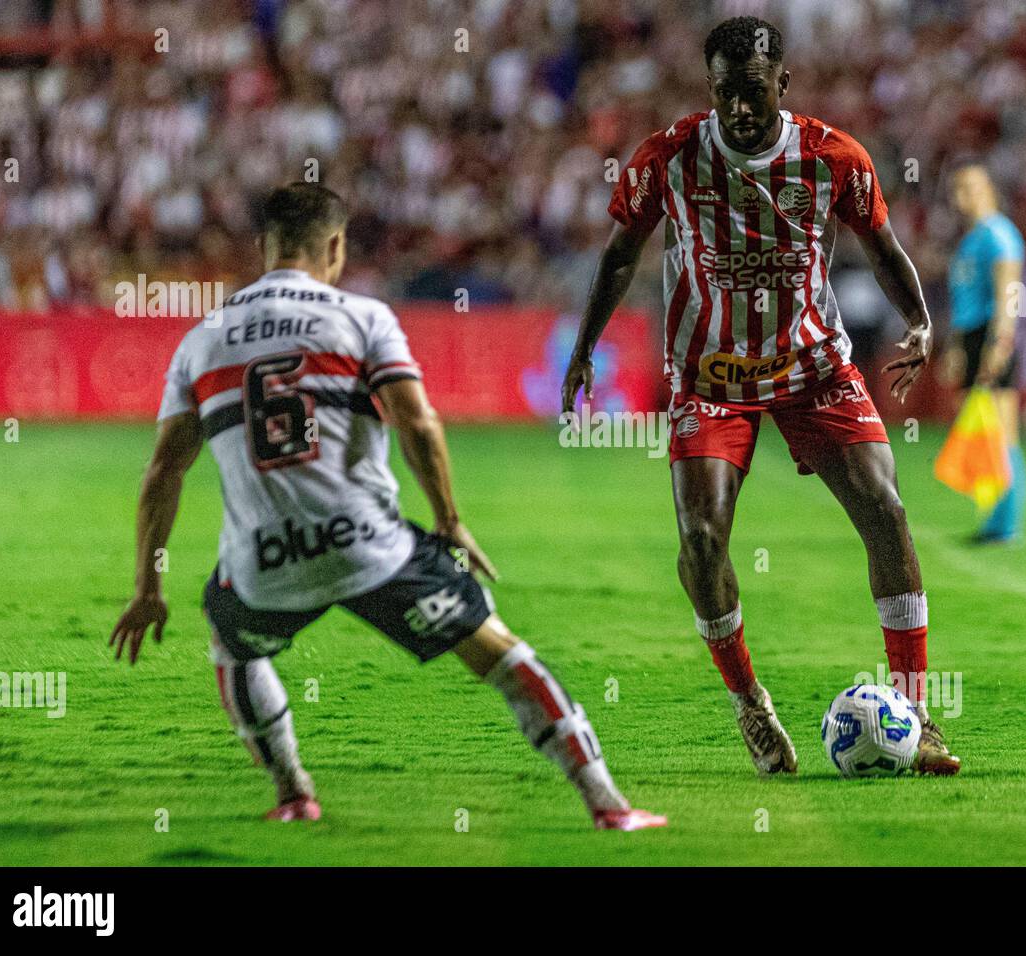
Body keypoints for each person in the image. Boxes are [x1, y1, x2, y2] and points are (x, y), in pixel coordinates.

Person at [109, 183, 666, 831]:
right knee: (502, 655)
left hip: (263, 563)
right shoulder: (362, 318)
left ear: (263, 247)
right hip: (369, 547)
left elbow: (163, 472)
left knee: (233, 644)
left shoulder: (202, 340)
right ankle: (608, 805)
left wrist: (148, 588)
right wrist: (449, 520)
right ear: (335, 246)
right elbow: (417, 422)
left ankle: (293, 794)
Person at [561, 17, 959, 776]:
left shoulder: (833, 158)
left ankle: (914, 711)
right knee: (702, 539)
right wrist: (583, 349)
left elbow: (883, 247)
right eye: (725, 94)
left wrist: (919, 320)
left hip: (813, 369)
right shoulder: (668, 158)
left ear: (783, 83)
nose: (740, 109)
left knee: (886, 508)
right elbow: (619, 256)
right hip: (711, 378)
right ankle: (750, 702)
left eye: (753, 92)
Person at [942, 161, 1026, 543]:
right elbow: (963, 300)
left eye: (972, 187)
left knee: (1003, 434)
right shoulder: (971, 240)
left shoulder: (999, 235)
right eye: (959, 189)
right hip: (972, 337)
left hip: (991, 335)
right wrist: (956, 347)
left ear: (990, 190)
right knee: (984, 432)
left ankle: (1006, 524)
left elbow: (1008, 293)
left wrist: (1001, 342)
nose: (964, 196)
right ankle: (994, 519)